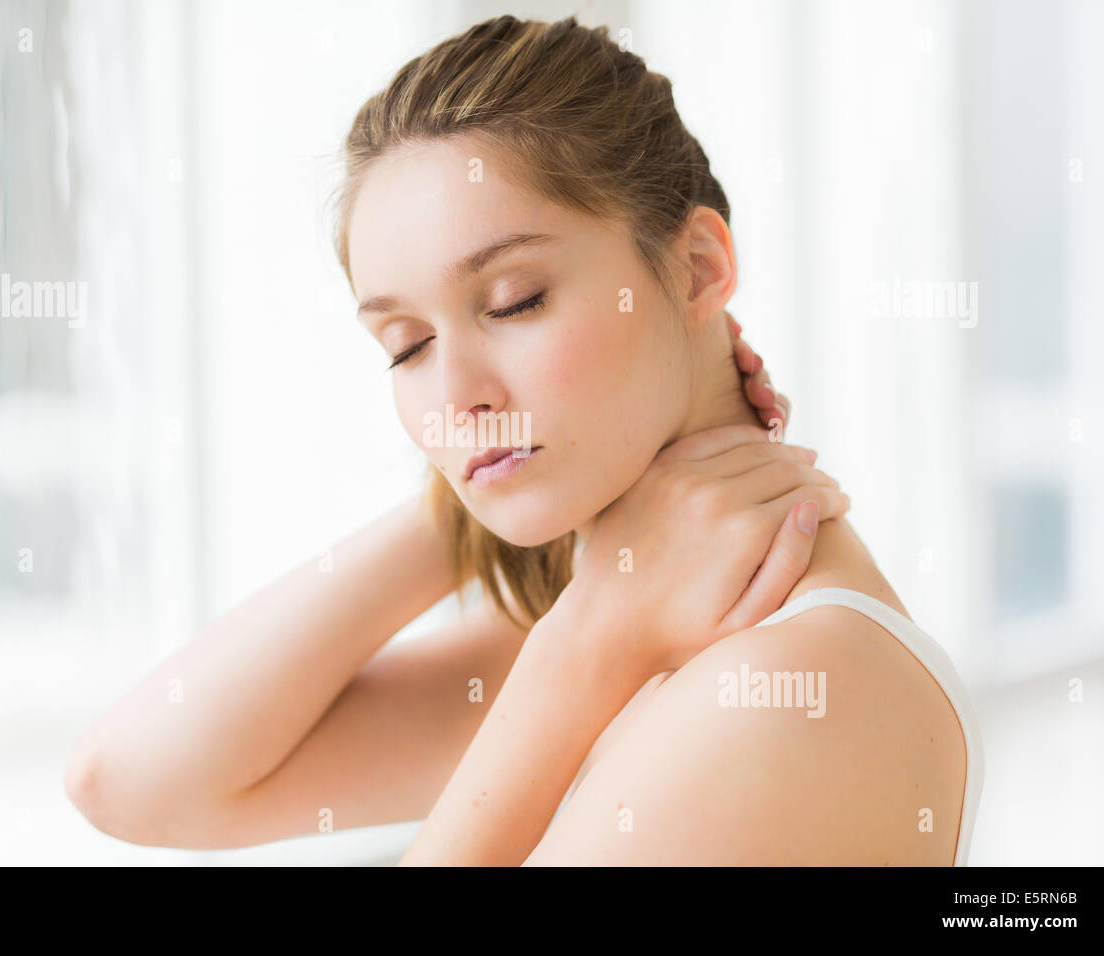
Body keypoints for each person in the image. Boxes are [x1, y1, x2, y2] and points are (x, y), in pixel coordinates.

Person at [65, 14, 980, 866]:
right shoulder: (631, 629)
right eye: (408, 347)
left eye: (515, 302)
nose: (455, 393)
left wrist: (577, 649)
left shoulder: (782, 684)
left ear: (699, 268)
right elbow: (129, 780)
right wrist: (471, 489)